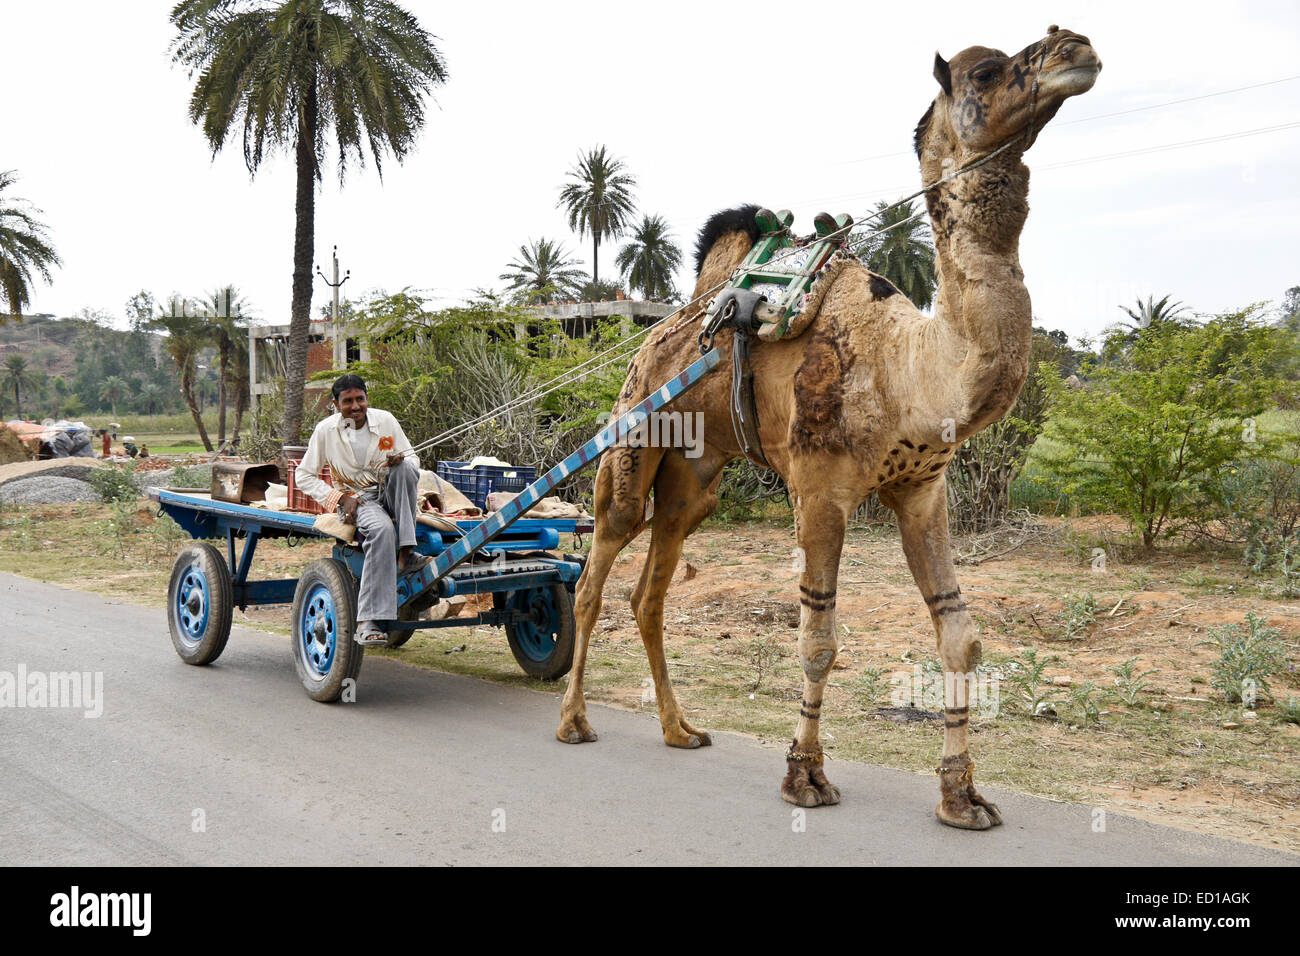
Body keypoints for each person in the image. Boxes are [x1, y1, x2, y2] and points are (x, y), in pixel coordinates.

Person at [295, 373, 428, 645]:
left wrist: (401, 460)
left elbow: (414, 460)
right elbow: (303, 476)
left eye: (360, 399)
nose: (355, 406)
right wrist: (339, 498)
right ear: (335, 404)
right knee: (380, 530)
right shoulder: (326, 431)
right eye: (348, 401)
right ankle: (368, 621)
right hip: (359, 500)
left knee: (404, 469)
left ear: (367, 399)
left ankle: (406, 552)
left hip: (390, 492)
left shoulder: (386, 421)